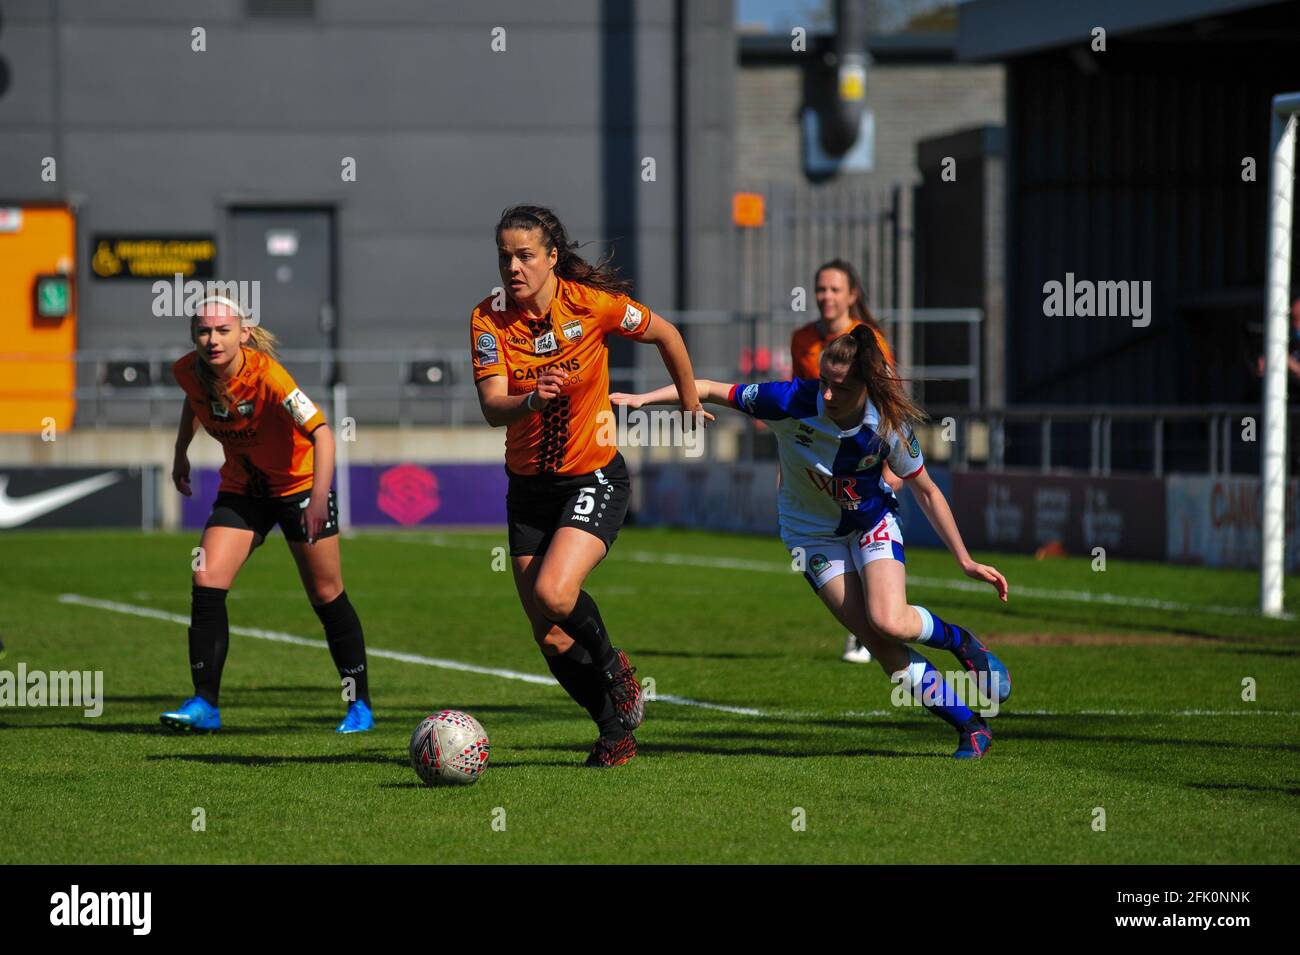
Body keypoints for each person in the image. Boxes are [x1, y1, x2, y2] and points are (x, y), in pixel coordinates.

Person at [613, 325, 1011, 758]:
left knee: (890, 621)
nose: (825, 394)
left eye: (839, 386)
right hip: (810, 536)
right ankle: (971, 727)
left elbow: (927, 490)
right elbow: (708, 387)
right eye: (823, 381)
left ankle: (961, 641)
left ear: (865, 386)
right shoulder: (790, 399)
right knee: (877, 640)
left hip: (870, 521)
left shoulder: (887, 427)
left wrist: (965, 560)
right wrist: (643, 401)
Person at [471, 204, 706, 768]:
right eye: (505, 257)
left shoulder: (591, 307)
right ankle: (612, 730)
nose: (513, 267)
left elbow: (667, 334)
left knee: (555, 594)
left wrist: (691, 401)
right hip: (528, 490)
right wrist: (530, 398)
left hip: (593, 475)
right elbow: (491, 407)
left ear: (552, 258)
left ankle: (613, 662)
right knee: (548, 634)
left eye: (525, 255)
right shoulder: (488, 318)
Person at [162, 296, 372, 733]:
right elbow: (194, 402)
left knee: (327, 594)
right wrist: (181, 451)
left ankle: (360, 705)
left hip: (298, 488)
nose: (212, 339)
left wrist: (317, 498)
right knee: (206, 578)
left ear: (244, 334)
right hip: (244, 490)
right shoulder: (186, 371)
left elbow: (323, 433)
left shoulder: (269, 377)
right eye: (203, 331)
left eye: (222, 330)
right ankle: (205, 705)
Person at [791, 259, 899, 663]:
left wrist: (888, 463)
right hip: (819, 466)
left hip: (862, 460)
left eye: (835, 289)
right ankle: (866, 627)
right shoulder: (802, 339)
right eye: (820, 289)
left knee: (864, 533)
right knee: (832, 540)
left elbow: (890, 406)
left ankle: (878, 625)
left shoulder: (871, 343)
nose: (826, 297)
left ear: (852, 295)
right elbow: (797, 403)